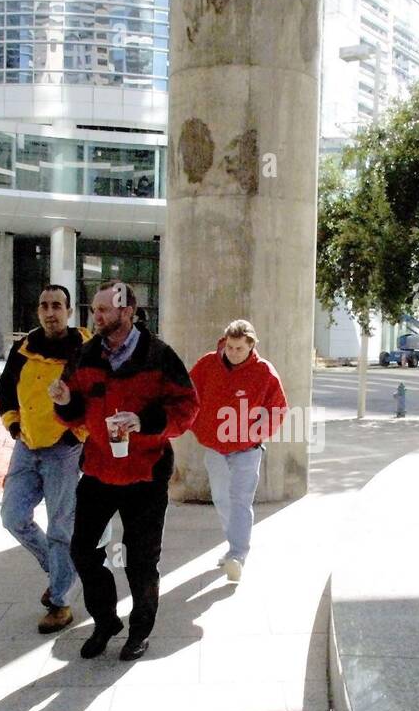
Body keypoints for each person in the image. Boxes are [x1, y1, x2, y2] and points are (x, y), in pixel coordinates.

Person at [50, 280, 198, 661]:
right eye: (94, 309)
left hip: (146, 475)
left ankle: (139, 631)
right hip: (99, 470)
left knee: (141, 559)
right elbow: (73, 409)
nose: (96, 316)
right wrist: (65, 403)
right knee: (82, 551)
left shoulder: (159, 355)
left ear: (128, 312)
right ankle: (105, 621)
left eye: (104, 310)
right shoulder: (85, 355)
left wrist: (145, 421)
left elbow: (187, 408)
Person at [0, 285, 90, 634]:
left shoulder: (85, 347)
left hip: (63, 449)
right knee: (13, 516)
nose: (50, 312)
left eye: (57, 306)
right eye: (44, 305)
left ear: (68, 310)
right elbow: (5, 391)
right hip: (26, 445)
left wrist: (76, 434)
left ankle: (60, 602)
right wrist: (13, 425)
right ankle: (58, 571)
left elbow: (98, 395)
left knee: (60, 526)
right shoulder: (23, 348)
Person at [188, 320, 287, 582]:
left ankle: (237, 554)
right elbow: (187, 394)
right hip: (215, 447)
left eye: (239, 348)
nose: (232, 352)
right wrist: (198, 427)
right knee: (221, 498)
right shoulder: (208, 364)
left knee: (240, 500)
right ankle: (233, 545)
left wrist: (257, 433)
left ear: (251, 346)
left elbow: (278, 408)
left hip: (247, 449)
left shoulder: (264, 372)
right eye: (230, 347)